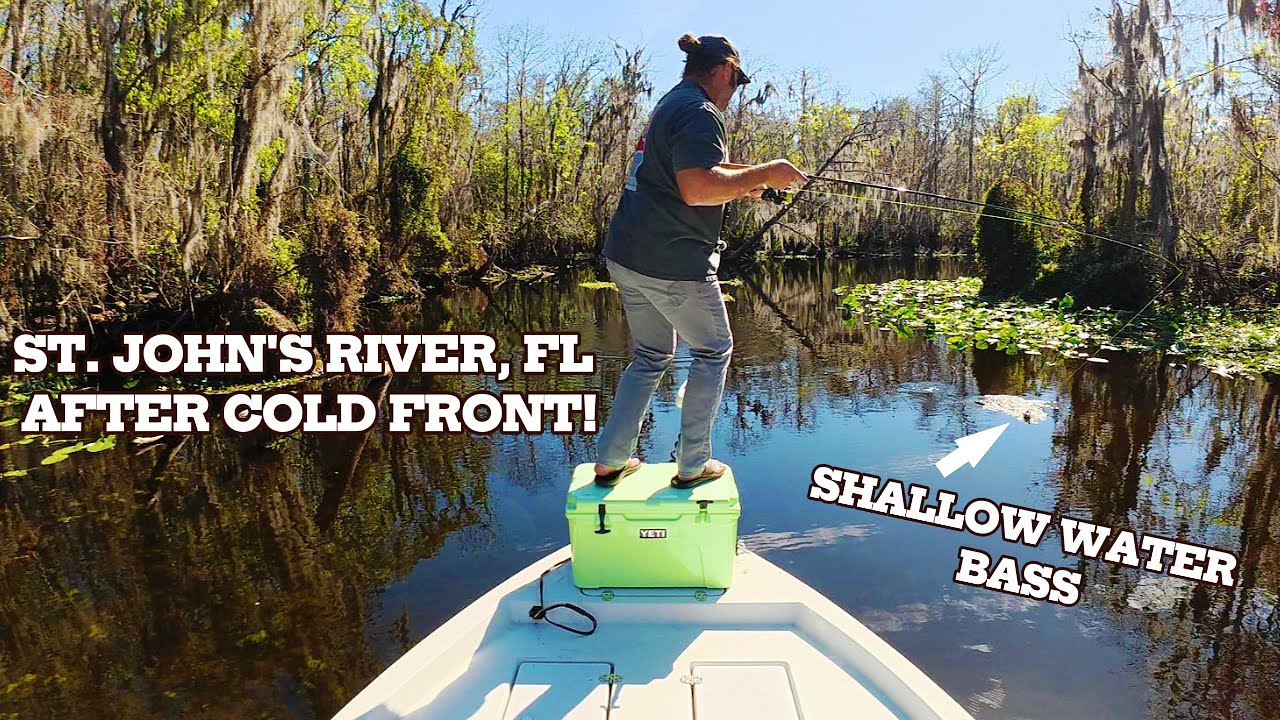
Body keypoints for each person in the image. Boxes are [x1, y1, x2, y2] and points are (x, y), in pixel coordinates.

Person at [592, 32, 807, 488]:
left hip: (628, 256)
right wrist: (767, 173)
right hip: (672, 263)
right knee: (713, 350)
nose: (735, 92)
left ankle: (612, 459)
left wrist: (748, 178)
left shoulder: (674, 102)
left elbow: (694, 170)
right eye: (737, 81)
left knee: (651, 355)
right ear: (726, 70)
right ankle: (692, 465)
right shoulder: (701, 111)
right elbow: (696, 188)